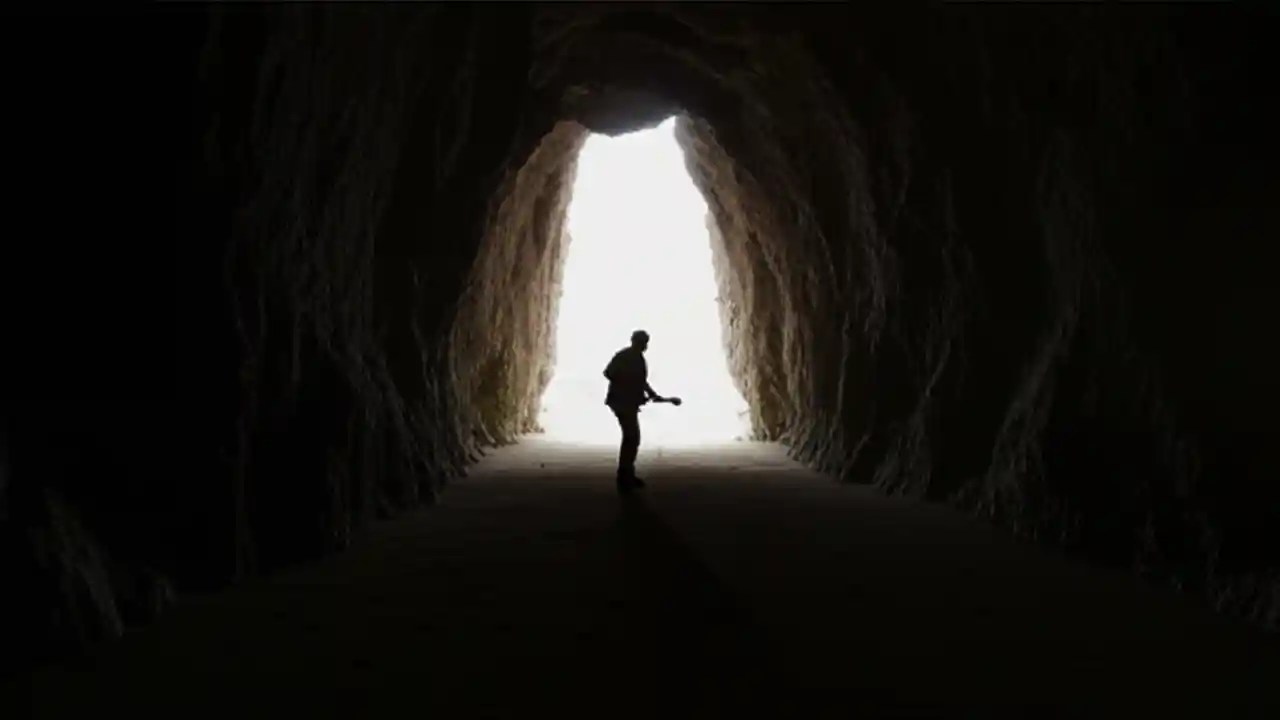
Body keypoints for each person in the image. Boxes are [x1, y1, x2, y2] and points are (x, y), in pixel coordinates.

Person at [603, 329, 669, 492]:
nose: (645, 346)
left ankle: (626, 474)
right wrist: (628, 387)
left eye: (645, 343)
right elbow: (609, 373)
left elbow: (641, 382)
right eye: (643, 342)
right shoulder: (624, 356)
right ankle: (625, 475)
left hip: (626, 402)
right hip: (621, 402)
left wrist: (653, 395)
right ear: (635, 342)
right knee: (632, 437)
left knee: (631, 437)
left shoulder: (638, 359)